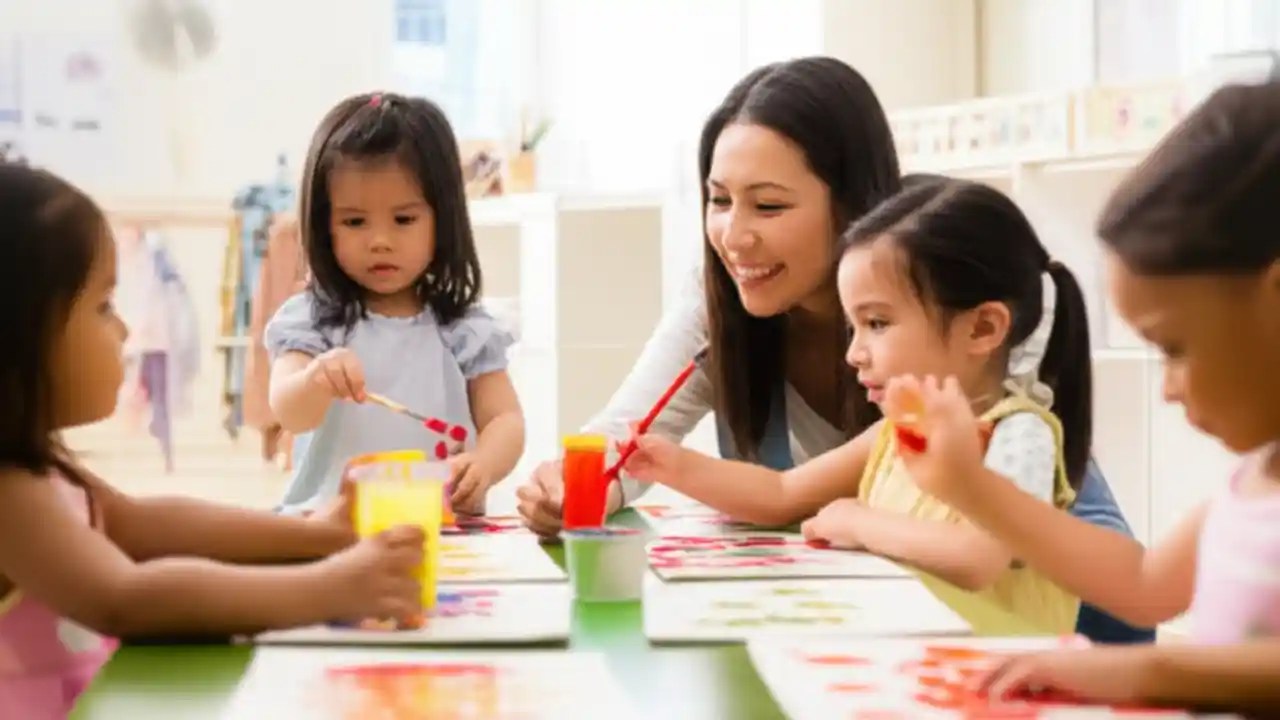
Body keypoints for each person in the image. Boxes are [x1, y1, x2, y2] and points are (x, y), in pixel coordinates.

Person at [515, 57, 1151, 643]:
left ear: (853, 205)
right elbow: (758, 485)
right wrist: (581, 486)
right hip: (906, 628)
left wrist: (860, 523)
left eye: (768, 205)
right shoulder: (727, 313)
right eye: (717, 200)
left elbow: (993, 555)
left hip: (1066, 628)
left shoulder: (946, 290)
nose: (733, 236)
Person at [889, 83, 1280, 714]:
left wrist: (1148, 671)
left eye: (1175, 347)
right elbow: (1142, 585)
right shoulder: (1251, 484)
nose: (1169, 387)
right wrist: (968, 486)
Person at [0, 163, 424, 718]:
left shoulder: (41, 469)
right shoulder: (9, 495)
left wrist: (314, 534)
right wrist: (328, 588)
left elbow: (138, 522)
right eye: (103, 307)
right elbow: (125, 598)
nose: (125, 331)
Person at [627, 179, 1089, 632]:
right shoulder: (893, 434)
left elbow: (980, 557)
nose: (854, 353)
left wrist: (863, 522)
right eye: (854, 327)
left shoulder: (1019, 435)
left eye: (877, 323)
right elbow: (781, 494)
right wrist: (674, 466)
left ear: (982, 329)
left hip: (1006, 686)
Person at [267, 92, 524, 516]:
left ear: (443, 219)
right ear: (323, 225)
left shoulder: (462, 327)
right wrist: (315, 379)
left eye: (404, 219)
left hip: (440, 529)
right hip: (333, 532)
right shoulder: (313, 321)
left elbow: (505, 420)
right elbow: (289, 411)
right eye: (354, 222)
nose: (380, 240)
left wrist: (484, 463)